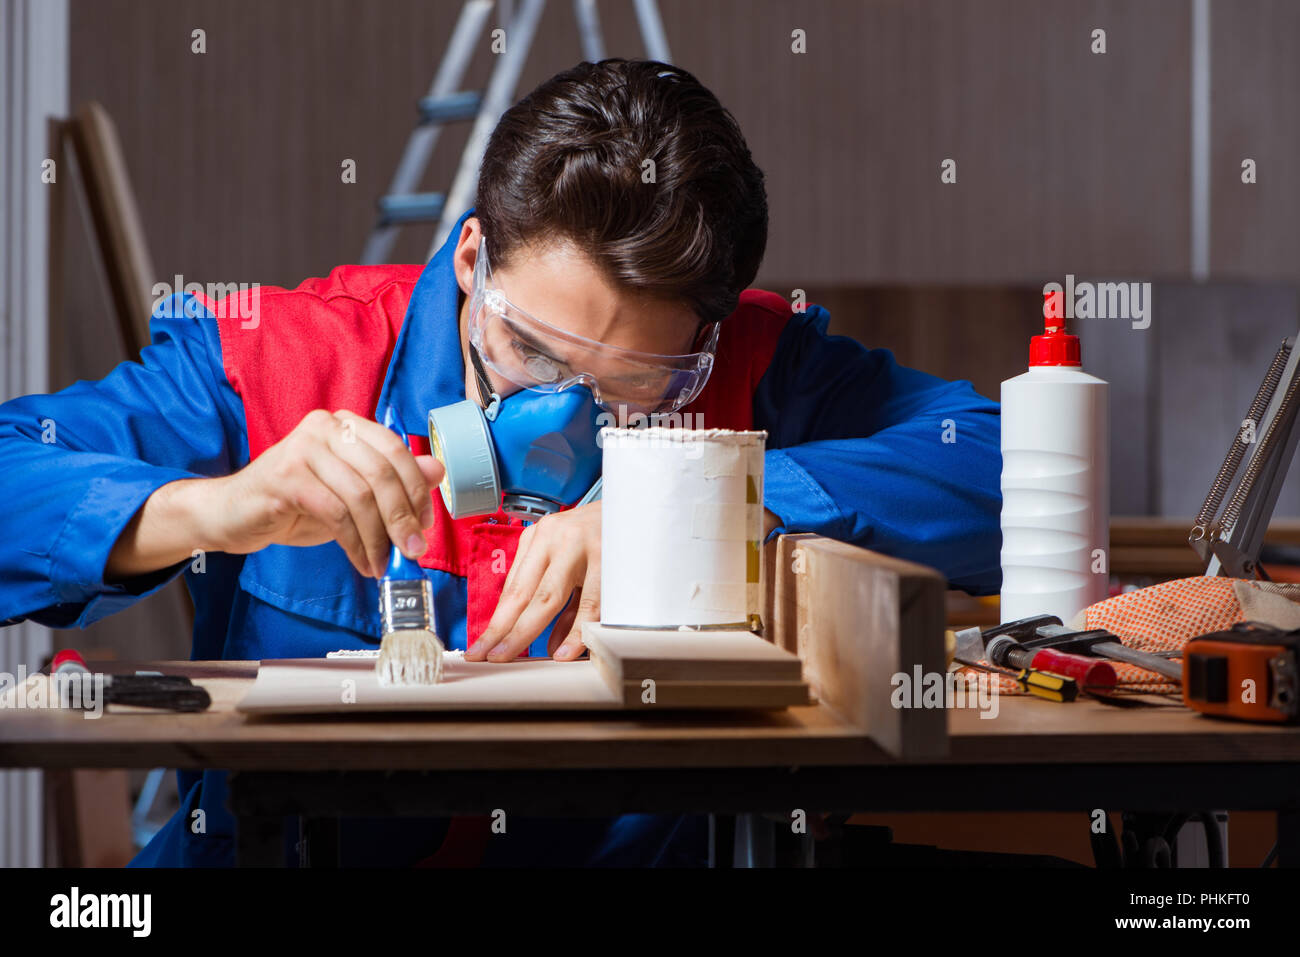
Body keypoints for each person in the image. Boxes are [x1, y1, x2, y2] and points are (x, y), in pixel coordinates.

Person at [0, 59, 1002, 866]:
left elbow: (1001, 465)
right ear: (473, 261)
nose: (566, 418)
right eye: (532, 353)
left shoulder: (762, 366)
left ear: (705, 342)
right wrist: (211, 508)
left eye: (635, 382)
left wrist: (720, 502)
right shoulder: (283, 357)